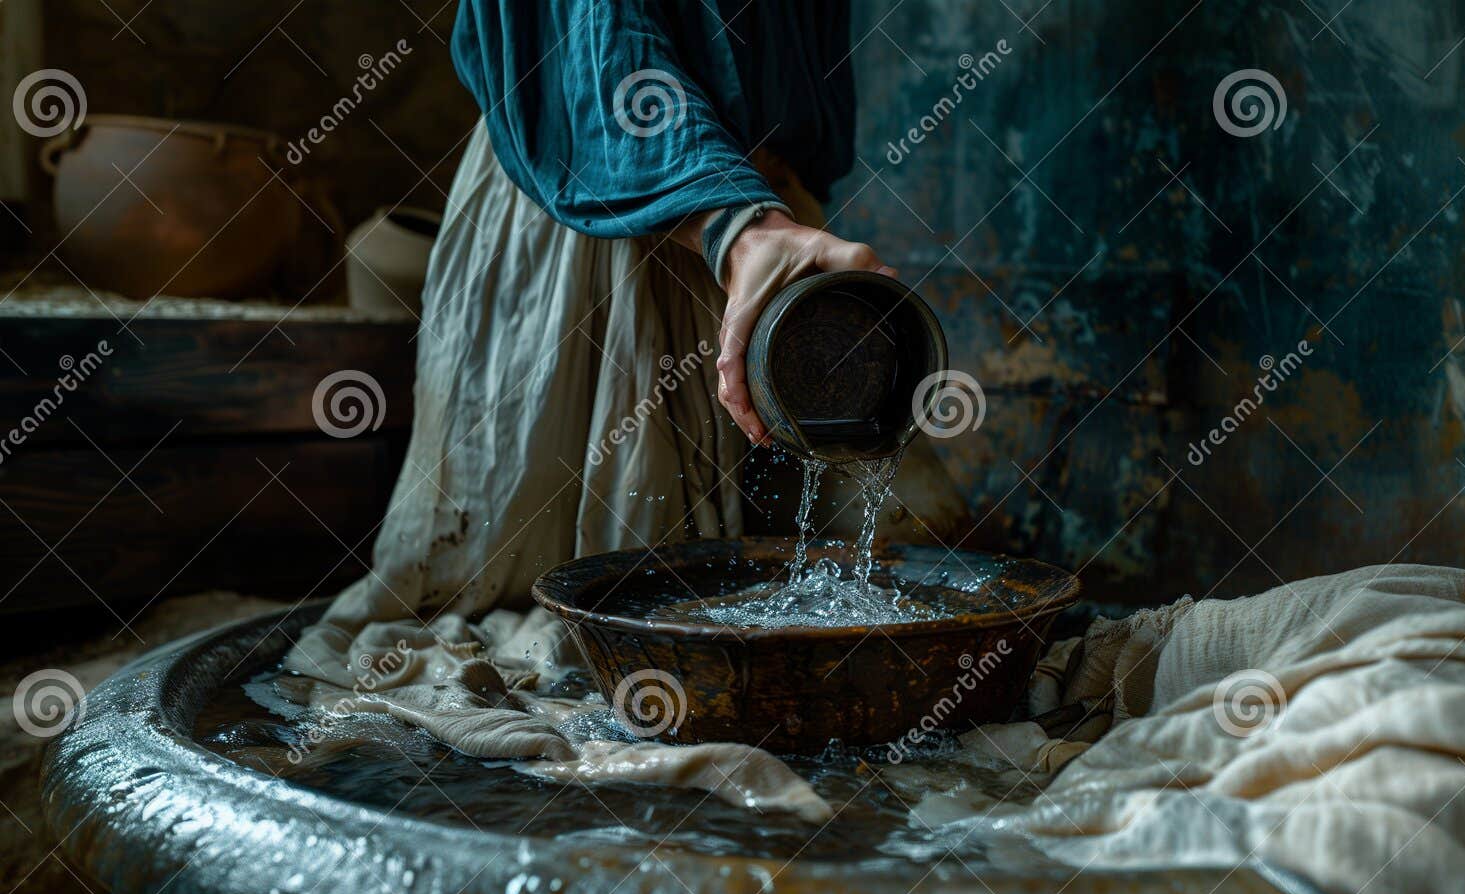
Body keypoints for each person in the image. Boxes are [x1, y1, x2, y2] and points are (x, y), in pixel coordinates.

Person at [290, 0, 964, 684]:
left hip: (767, 215)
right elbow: (589, 37)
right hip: (585, 195)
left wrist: (773, 212)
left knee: (901, 553)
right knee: (582, 606)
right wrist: (737, 227)